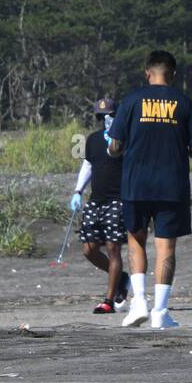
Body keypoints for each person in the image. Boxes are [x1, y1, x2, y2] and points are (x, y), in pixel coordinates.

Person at [107, 51, 192, 329]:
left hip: (136, 184)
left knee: (136, 241)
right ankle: (160, 312)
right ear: (172, 74)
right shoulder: (185, 103)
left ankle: (138, 303)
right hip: (171, 185)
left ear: (147, 72)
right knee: (166, 248)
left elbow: (114, 147)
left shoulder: (131, 100)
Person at [69, 96, 130, 313]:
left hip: (118, 200)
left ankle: (109, 300)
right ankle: (121, 277)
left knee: (114, 249)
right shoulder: (93, 140)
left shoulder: (127, 139)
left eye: (111, 115)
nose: (107, 119)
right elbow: (88, 166)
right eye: (102, 116)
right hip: (96, 200)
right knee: (89, 250)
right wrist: (78, 191)